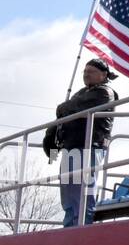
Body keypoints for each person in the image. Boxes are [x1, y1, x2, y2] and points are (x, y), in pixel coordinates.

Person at [45, 57, 118, 227]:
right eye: (85, 72)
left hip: (89, 147)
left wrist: (63, 107)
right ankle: (70, 228)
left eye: (91, 71)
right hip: (71, 147)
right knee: (69, 195)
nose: (86, 75)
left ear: (103, 74)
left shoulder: (104, 93)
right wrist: (51, 136)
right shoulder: (80, 93)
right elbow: (64, 114)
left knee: (83, 193)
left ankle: (81, 228)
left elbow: (75, 107)